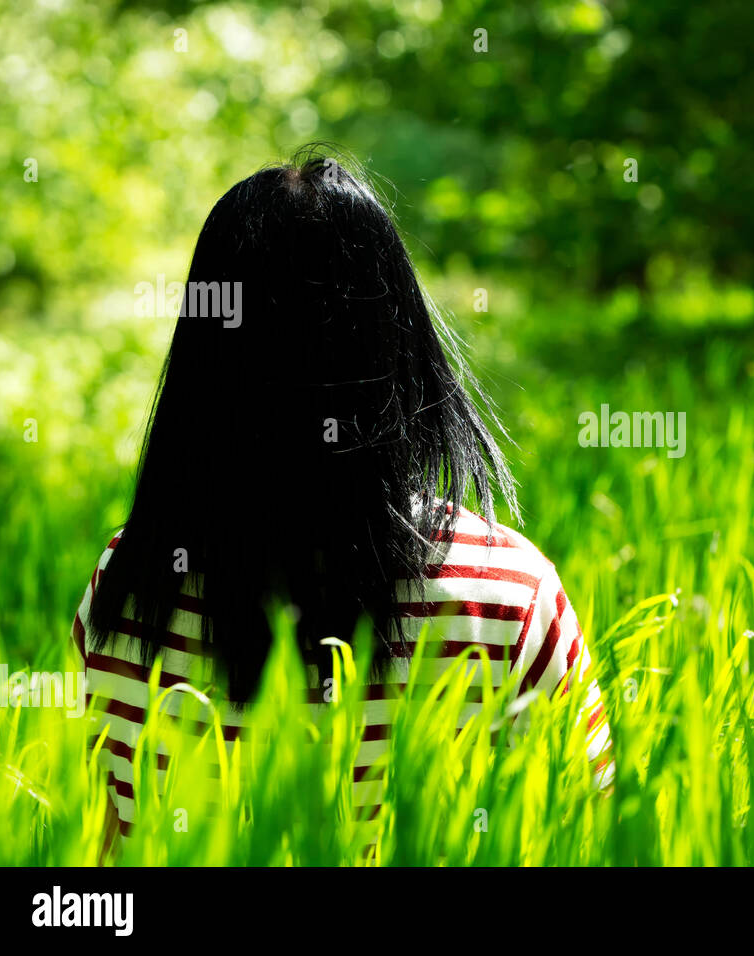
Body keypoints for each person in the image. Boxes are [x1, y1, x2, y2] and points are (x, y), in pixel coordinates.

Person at [70, 147, 612, 855]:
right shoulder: (506, 596)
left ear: (204, 366)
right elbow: (590, 841)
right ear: (402, 341)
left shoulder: (130, 587)